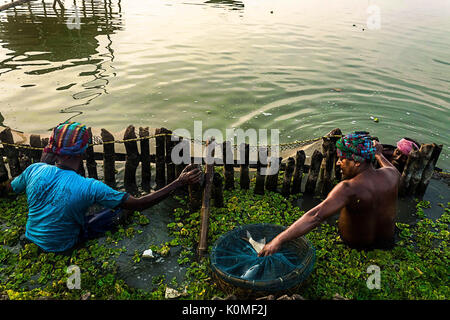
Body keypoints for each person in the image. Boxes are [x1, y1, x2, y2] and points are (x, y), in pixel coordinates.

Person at [0, 121, 201, 254]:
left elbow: (10, 188)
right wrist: (179, 182)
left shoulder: (34, 171)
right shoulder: (89, 186)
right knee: (120, 210)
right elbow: (138, 204)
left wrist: (47, 157)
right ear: (82, 152)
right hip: (64, 246)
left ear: (54, 151)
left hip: (31, 238)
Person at [258, 132, 401, 256]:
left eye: (342, 159)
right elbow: (387, 165)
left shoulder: (348, 188)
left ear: (357, 162)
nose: (338, 163)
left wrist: (278, 240)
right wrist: (379, 154)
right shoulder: (392, 174)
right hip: (388, 242)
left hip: (354, 246)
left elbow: (315, 216)